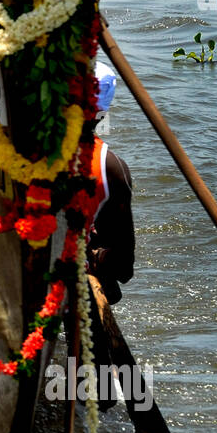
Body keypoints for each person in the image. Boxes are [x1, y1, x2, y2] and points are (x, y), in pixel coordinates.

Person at [87, 61, 134, 302]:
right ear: (103, 114)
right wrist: (99, 255)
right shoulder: (112, 168)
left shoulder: (17, 144)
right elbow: (124, 267)